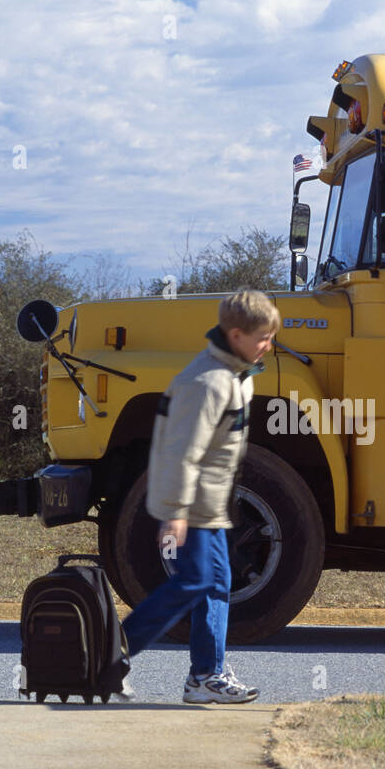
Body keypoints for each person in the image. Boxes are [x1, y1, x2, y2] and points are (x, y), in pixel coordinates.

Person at [120, 289, 280, 703]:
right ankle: (111, 654)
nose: (269, 344)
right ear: (236, 334)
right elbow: (181, 452)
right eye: (263, 337)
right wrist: (175, 512)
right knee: (197, 581)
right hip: (189, 505)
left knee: (215, 583)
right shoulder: (208, 383)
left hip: (209, 504)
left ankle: (204, 677)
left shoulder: (235, 375)